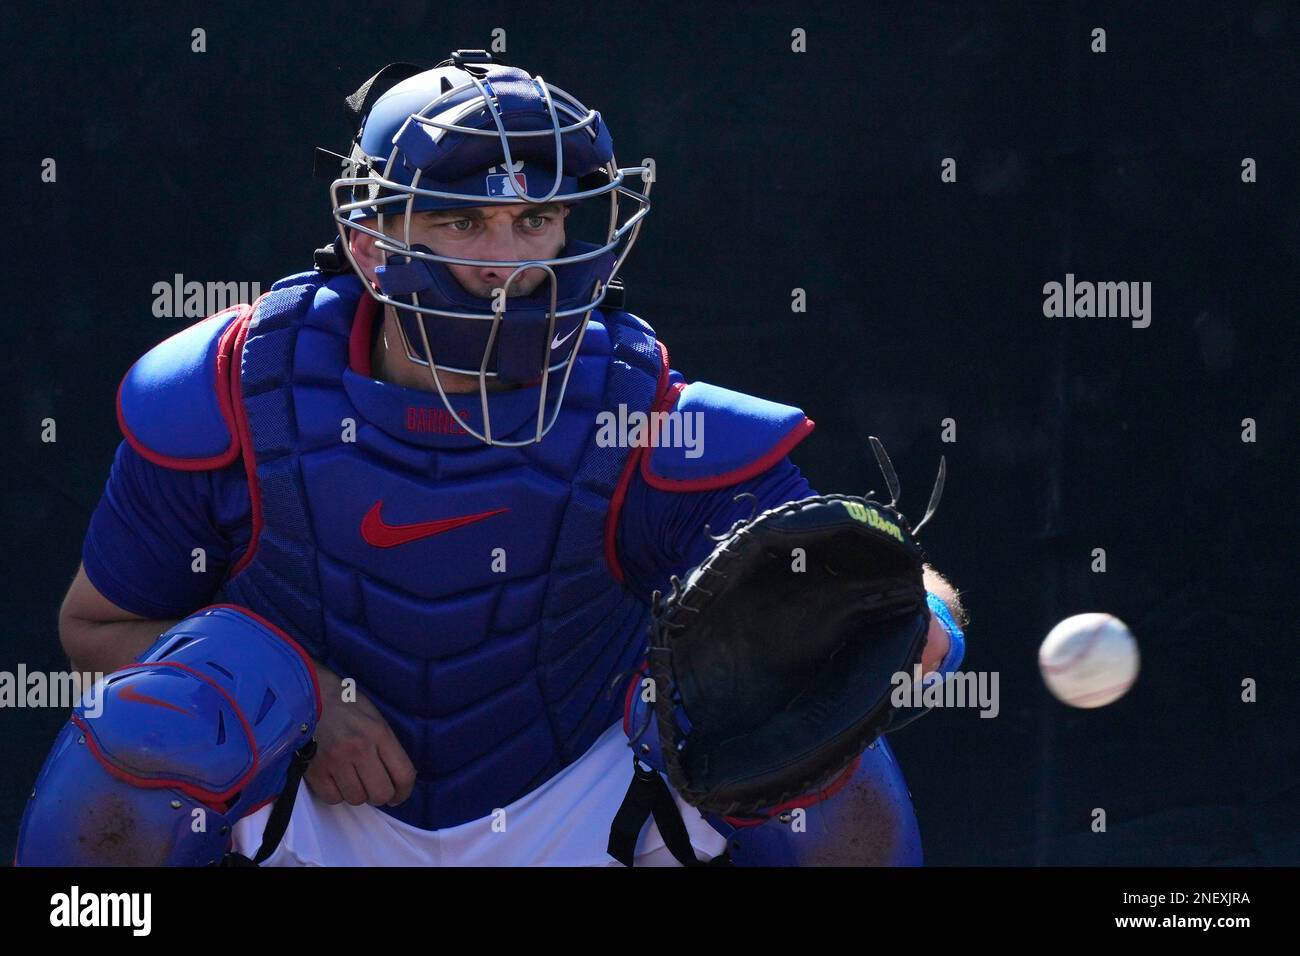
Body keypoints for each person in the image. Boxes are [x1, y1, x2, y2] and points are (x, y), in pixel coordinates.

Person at [21, 50, 966, 867]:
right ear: (369, 242)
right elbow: (96, 627)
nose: (509, 260)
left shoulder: (640, 416)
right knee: (180, 706)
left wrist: (915, 616)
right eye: (462, 223)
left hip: (586, 817)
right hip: (320, 819)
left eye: (537, 221)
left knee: (789, 701)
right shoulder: (234, 391)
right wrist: (310, 697)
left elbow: (858, 583)